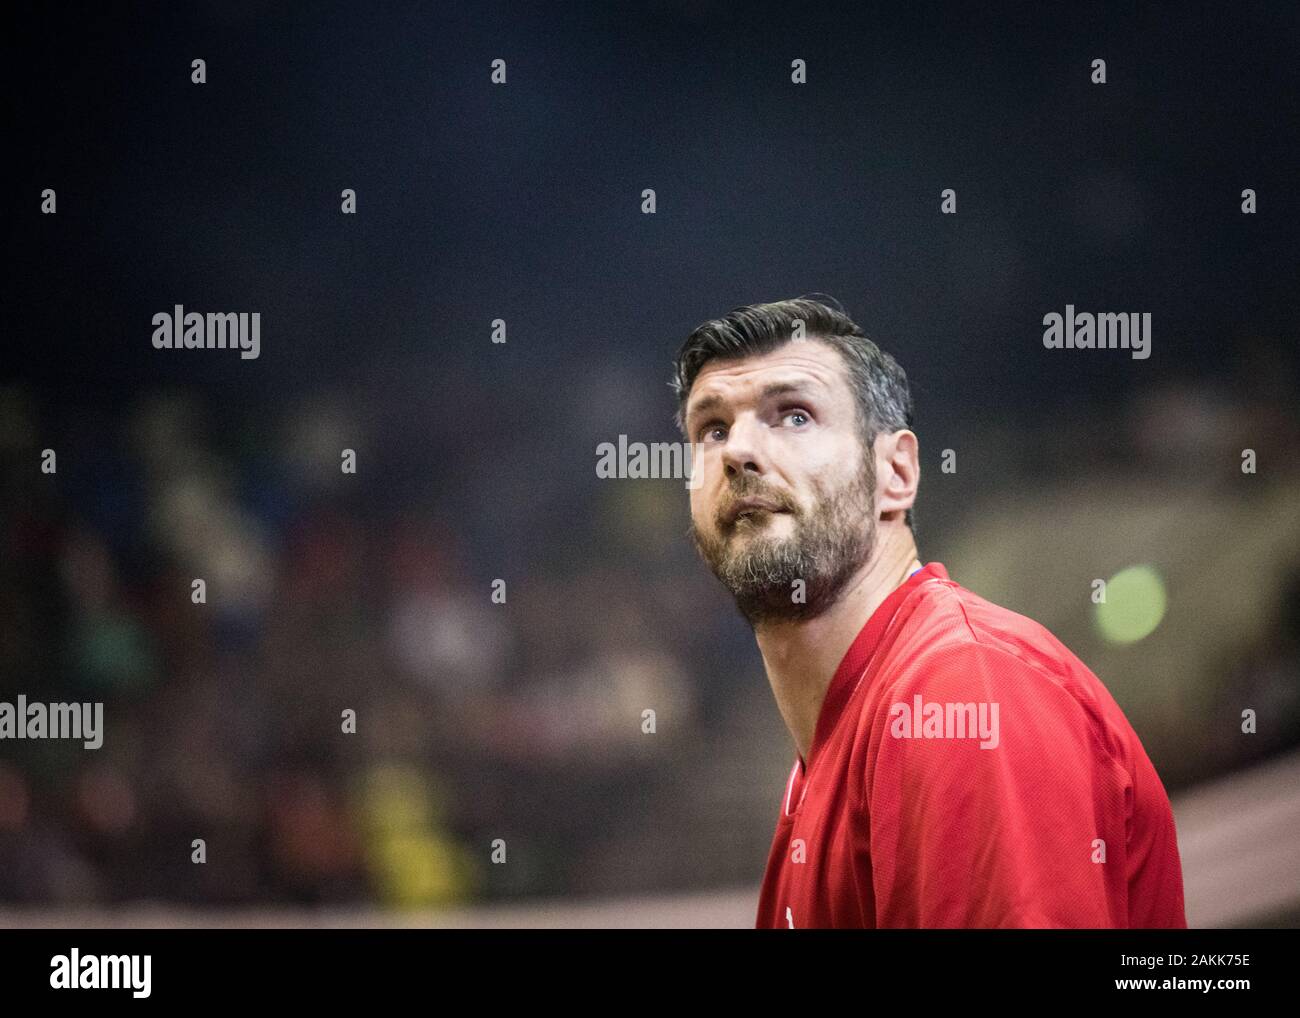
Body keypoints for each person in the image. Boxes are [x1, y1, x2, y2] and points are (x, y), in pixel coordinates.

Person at [671, 296, 1187, 928]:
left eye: (795, 416)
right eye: (712, 429)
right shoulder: (832, 753)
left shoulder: (959, 692)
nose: (738, 451)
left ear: (897, 471)